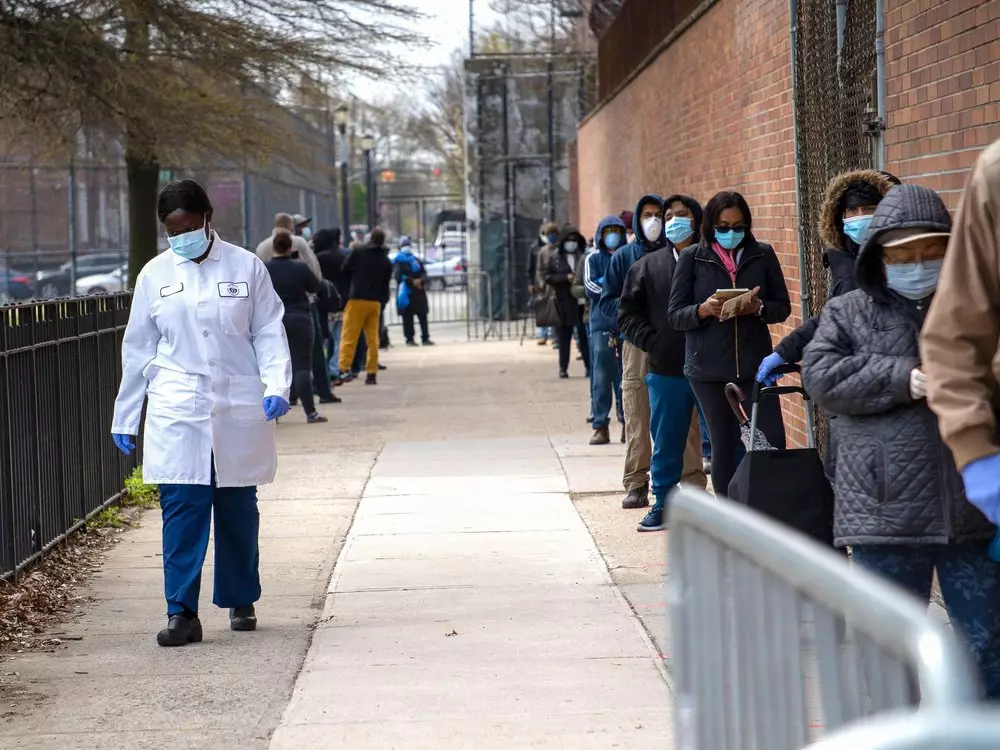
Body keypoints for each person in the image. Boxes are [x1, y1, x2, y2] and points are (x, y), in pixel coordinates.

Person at [804, 183, 1000, 698]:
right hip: (882, 510)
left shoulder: (978, 311)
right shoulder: (849, 312)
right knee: (889, 652)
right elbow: (821, 376)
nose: (918, 263)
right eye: (903, 254)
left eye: (931, 251)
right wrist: (904, 377)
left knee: (989, 647)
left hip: (972, 508)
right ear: (878, 256)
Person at [110, 179, 291, 647]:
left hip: (235, 402)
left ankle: (240, 598)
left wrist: (278, 385)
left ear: (207, 218)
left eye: (189, 227)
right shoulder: (154, 275)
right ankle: (181, 612)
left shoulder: (246, 266)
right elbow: (138, 350)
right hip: (177, 406)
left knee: (236, 507)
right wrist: (126, 416)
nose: (182, 237)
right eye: (173, 231)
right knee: (183, 510)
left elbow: (268, 330)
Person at [667, 190, 791, 496]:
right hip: (708, 369)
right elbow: (675, 315)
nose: (731, 233)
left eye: (738, 227)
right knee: (723, 442)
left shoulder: (762, 253)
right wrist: (704, 310)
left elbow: (782, 307)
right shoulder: (691, 258)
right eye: (723, 227)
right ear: (711, 225)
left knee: (769, 437)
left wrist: (757, 308)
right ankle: (728, 512)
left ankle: (768, 508)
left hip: (754, 366)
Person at [756, 170, 899, 386]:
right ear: (841, 216)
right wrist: (784, 353)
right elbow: (834, 315)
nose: (860, 216)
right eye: (852, 210)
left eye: (869, 209)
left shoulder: (904, 257)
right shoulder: (843, 256)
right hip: (851, 373)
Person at [619, 196, 710, 531]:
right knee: (667, 439)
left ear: (697, 220)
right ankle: (664, 501)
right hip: (667, 368)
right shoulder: (647, 267)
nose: (672, 221)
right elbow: (627, 315)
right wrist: (653, 343)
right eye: (668, 216)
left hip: (712, 366)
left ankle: (725, 506)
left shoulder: (712, 261)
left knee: (721, 438)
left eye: (681, 215)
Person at [599, 194, 666, 509]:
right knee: (637, 412)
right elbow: (607, 302)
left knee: (677, 413)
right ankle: (637, 482)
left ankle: (679, 481)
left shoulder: (676, 254)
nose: (653, 221)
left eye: (658, 214)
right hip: (636, 343)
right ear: (638, 220)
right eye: (647, 215)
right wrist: (635, 315)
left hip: (671, 342)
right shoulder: (624, 257)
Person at [265, 230, 329, 424]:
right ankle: (310, 412)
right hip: (300, 317)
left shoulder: (264, 268)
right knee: (302, 366)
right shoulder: (300, 268)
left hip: (274, 321)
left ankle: (272, 413)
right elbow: (317, 288)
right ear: (291, 247)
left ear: (273, 247)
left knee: (272, 367)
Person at [584, 215, 627, 444]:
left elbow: (631, 286)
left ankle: (626, 422)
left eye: (616, 231)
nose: (612, 235)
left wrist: (608, 286)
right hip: (601, 324)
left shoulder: (626, 256)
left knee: (626, 377)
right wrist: (612, 289)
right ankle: (600, 424)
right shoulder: (593, 258)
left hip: (624, 324)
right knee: (601, 375)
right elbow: (591, 287)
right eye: (607, 231)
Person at [338, 228, 393, 385]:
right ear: (383, 241)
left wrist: (353, 282)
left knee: (350, 335)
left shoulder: (358, 252)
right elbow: (385, 285)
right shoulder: (386, 261)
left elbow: (345, 269)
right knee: (373, 338)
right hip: (375, 302)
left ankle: (344, 368)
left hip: (357, 299)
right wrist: (382, 302)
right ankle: (371, 372)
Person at [544, 225, 590, 378]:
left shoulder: (583, 256)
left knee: (584, 337)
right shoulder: (556, 258)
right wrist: (565, 278)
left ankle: (589, 366)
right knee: (564, 337)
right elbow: (548, 276)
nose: (572, 243)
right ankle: (563, 367)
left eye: (574, 240)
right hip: (564, 302)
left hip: (582, 302)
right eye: (568, 240)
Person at [314, 228, 348, 381]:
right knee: (339, 336)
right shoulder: (345, 255)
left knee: (324, 338)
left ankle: (324, 369)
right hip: (342, 301)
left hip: (325, 302)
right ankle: (335, 368)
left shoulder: (319, 258)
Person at [394, 236, 434, 346]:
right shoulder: (398, 261)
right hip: (407, 293)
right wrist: (412, 281)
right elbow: (398, 277)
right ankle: (409, 339)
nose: (407, 248)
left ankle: (425, 338)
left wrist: (421, 280)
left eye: (408, 245)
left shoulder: (415, 260)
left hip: (419, 292)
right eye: (404, 246)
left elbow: (424, 273)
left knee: (423, 316)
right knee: (407, 318)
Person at [255, 212, 321, 279]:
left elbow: (258, 274)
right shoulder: (299, 242)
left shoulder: (261, 247)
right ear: (290, 225)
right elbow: (313, 268)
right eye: (302, 226)